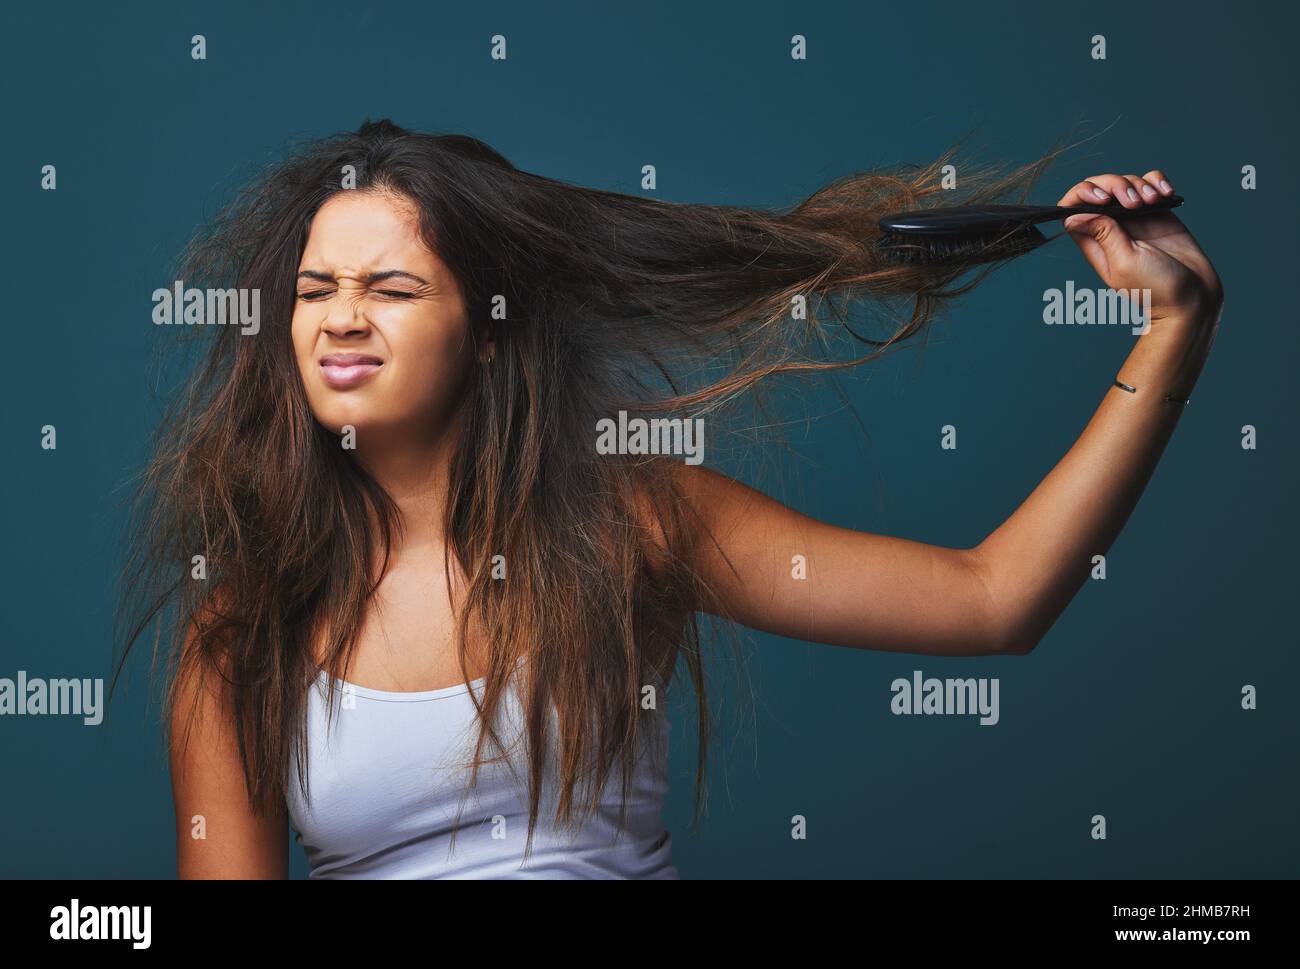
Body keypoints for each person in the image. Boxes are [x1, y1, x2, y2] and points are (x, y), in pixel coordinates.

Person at [114, 120, 1222, 878]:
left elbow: (994, 601)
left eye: (390, 287)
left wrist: (1172, 331)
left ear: (492, 331)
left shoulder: (630, 524)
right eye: (316, 290)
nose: (340, 318)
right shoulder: (239, 638)